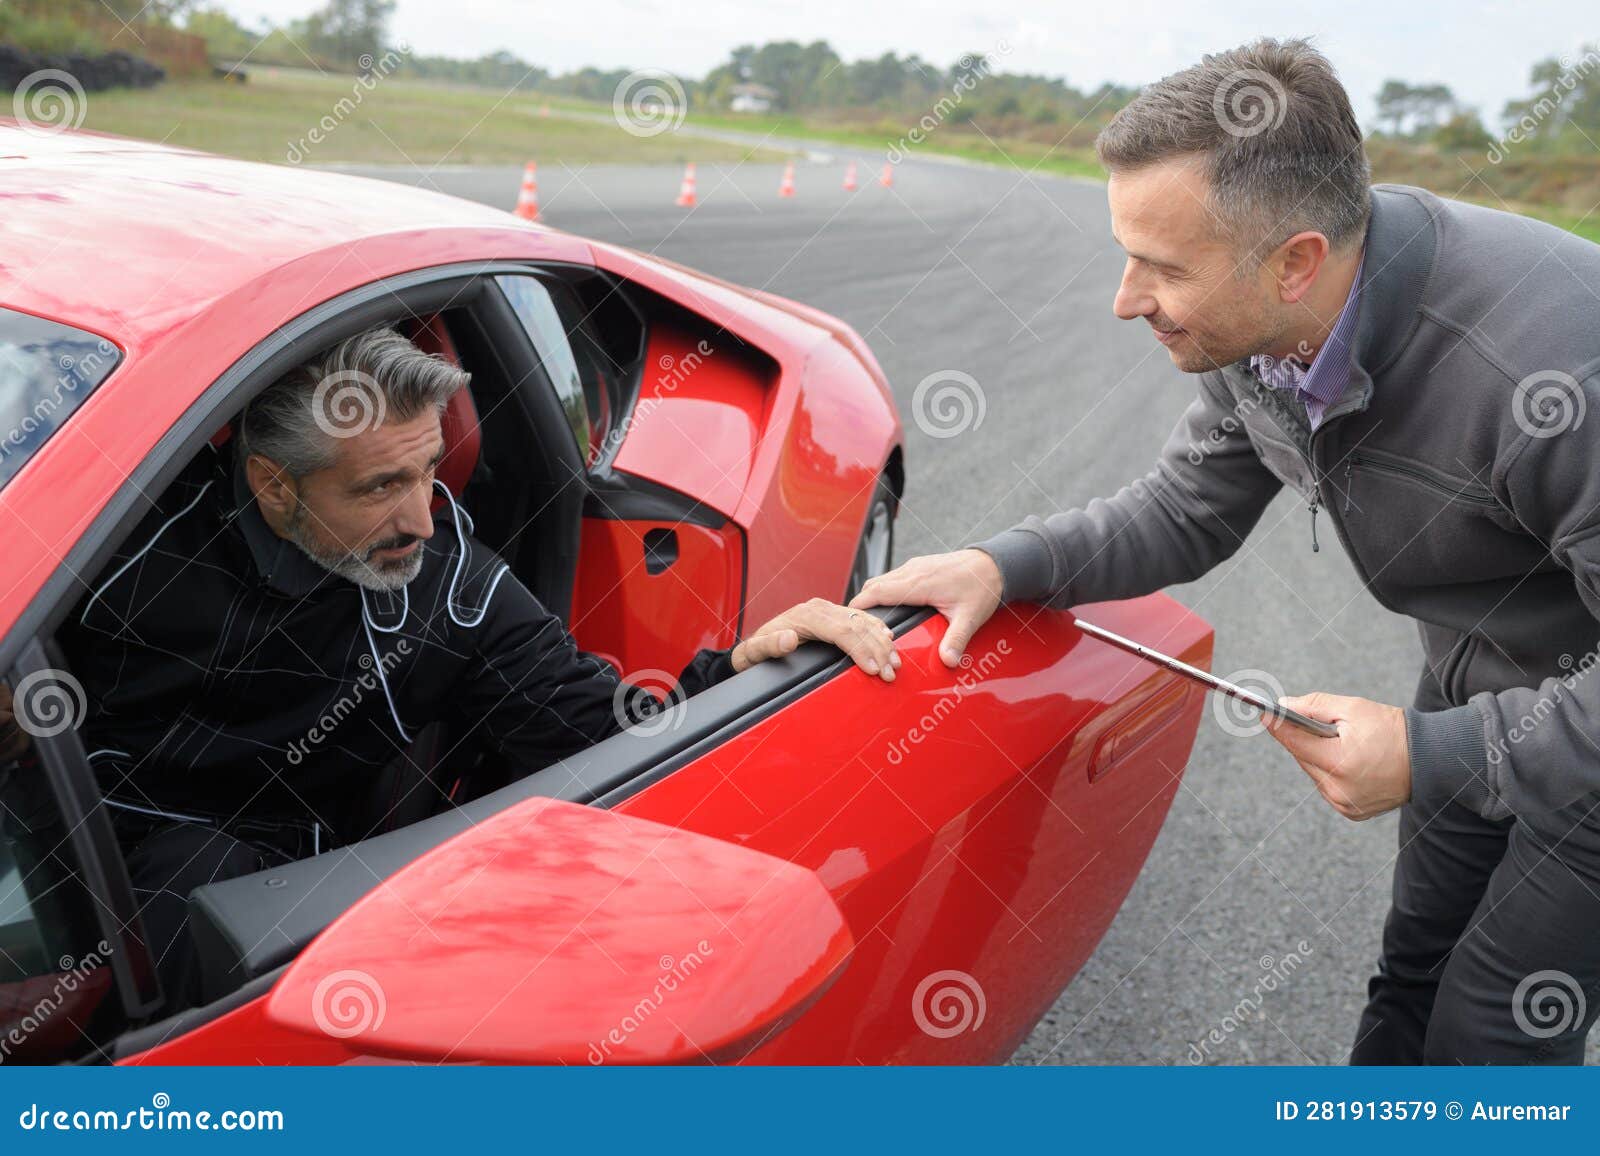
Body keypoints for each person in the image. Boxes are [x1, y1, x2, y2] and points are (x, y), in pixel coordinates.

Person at [853, 38, 1600, 1063]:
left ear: (1294, 259)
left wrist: (1431, 756)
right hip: (1476, 684)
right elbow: (1187, 505)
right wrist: (1004, 565)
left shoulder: (1554, 371)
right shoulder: (1270, 326)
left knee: (1491, 1027)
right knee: (1413, 970)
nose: (1124, 299)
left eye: (1161, 267)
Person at [26, 325, 899, 1009]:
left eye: (429, 470)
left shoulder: (454, 590)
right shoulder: (113, 551)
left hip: (278, 899)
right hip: (67, 846)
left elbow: (603, 734)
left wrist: (743, 668)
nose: (423, 520)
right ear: (272, 485)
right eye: (378, 488)